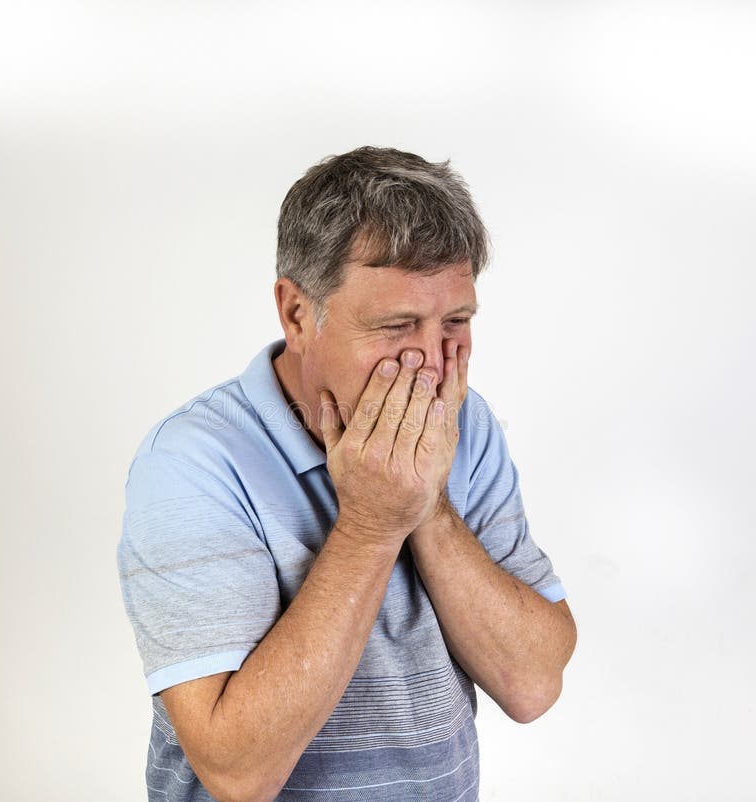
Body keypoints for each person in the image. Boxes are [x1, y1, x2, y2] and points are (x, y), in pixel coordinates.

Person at [117, 146, 577, 802]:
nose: (431, 363)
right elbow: (236, 772)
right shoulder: (192, 463)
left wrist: (430, 507)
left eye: (456, 322)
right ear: (298, 314)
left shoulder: (464, 426)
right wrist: (369, 521)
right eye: (396, 326)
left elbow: (532, 684)